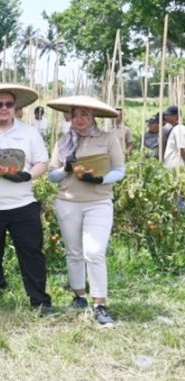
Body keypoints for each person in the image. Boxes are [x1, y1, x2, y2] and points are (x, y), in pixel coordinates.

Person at [0, 83, 53, 314]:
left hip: (22, 203)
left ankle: (39, 300)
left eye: (9, 104)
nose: (4, 108)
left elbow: (42, 162)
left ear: (15, 108)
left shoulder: (29, 132)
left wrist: (28, 175)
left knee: (31, 251)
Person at [46, 96, 125, 327]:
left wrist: (100, 179)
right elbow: (52, 176)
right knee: (74, 252)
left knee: (94, 252)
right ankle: (79, 296)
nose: (79, 119)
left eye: (85, 114)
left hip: (98, 202)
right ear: (69, 116)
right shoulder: (62, 143)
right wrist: (66, 168)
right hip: (68, 202)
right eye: (75, 114)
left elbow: (119, 170)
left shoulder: (107, 139)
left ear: (93, 117)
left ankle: (100, 304)